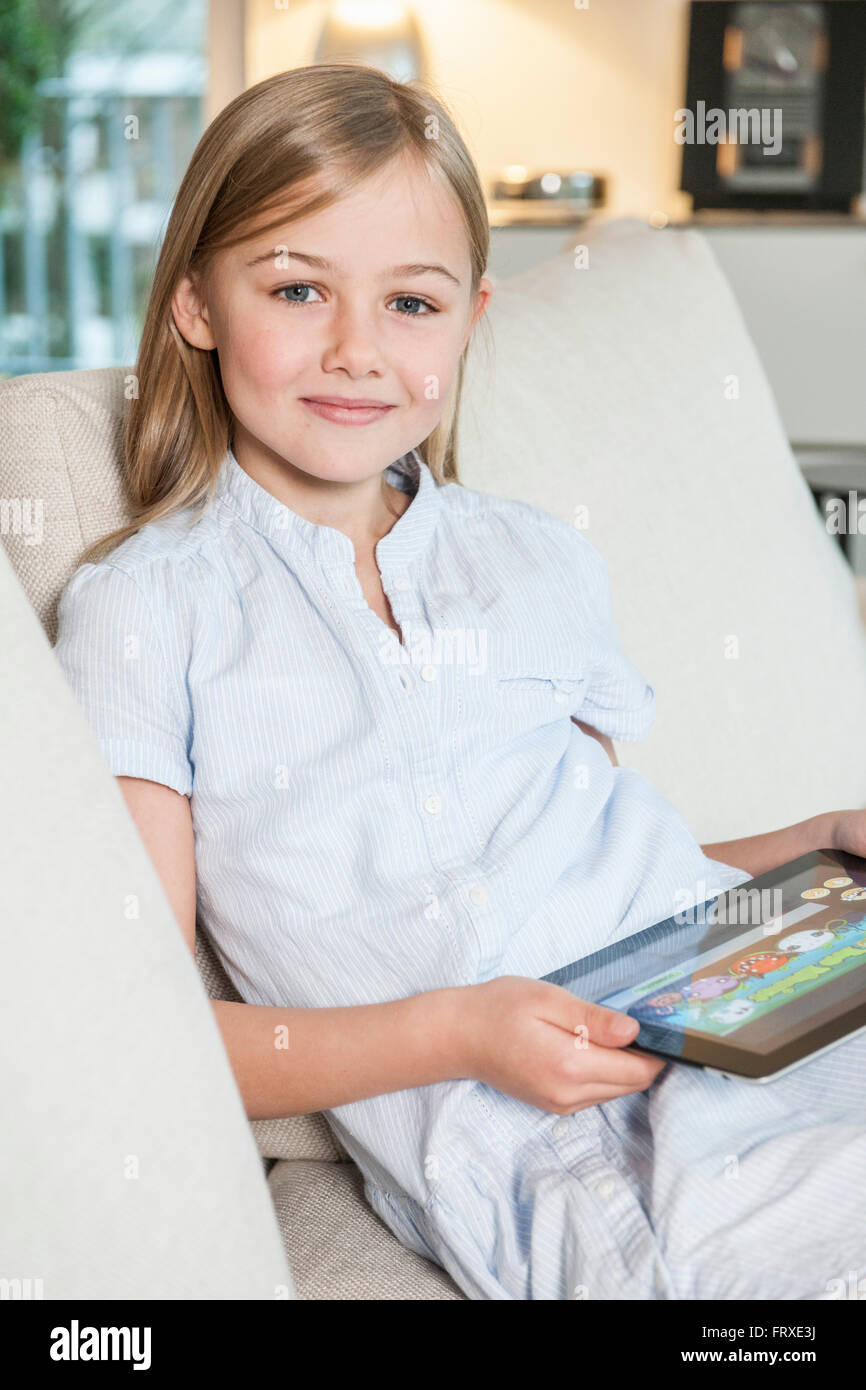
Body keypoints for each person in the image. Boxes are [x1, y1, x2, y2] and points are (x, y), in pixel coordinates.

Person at [52, 63, 866, 1301]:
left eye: (410, 305)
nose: (355, 350)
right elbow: (146, 1044)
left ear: (470, 316)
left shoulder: (534, 557)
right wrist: (457, 1031)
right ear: (195, 305)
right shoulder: (143, 612)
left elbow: (567, 869)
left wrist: (801, 848)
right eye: (295, 288)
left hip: (760, 1017)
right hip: (581, 1154)